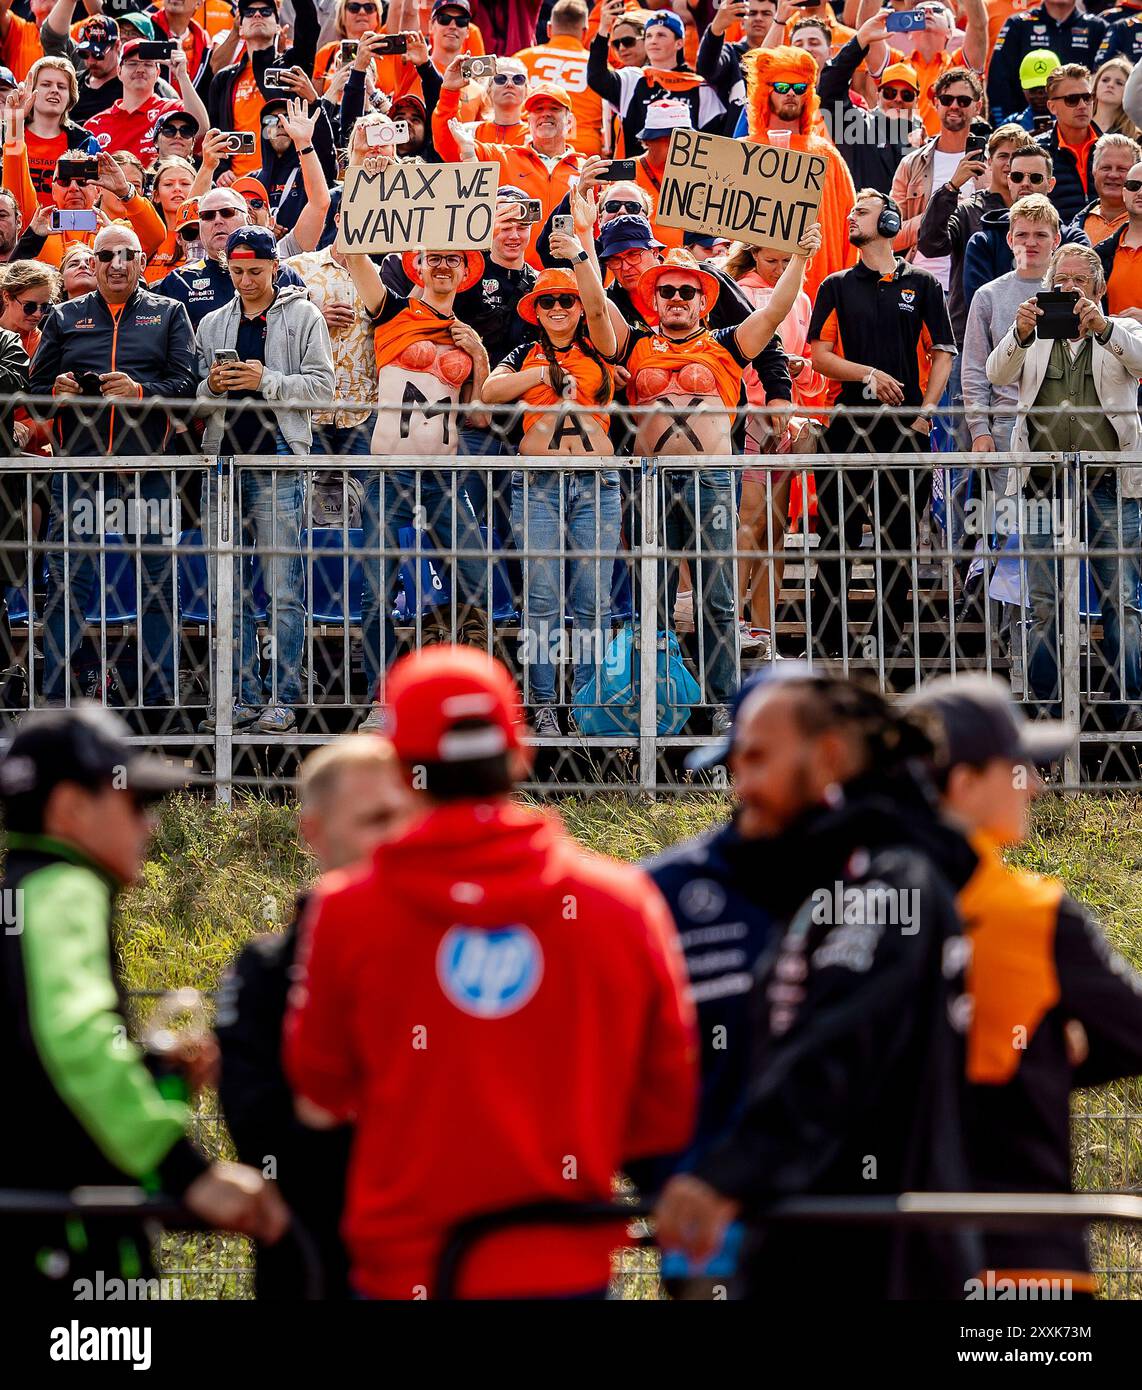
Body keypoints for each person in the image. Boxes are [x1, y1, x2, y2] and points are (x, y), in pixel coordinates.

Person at [284, 645, 698, 1299]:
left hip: (408, 1273)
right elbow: (666, 1105)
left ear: (400, 767)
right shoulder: (619, 901)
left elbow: (320, 1089)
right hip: (568, 1270)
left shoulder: (347, 911)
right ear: (520, 753)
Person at [652, 670, 981, 1300]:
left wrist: (725, 1175)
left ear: (827, 756)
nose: (739, 782)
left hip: (882, 1266)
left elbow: (836, 1049)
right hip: (811, 1253)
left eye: (757, 758)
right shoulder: (826, 880)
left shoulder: (889, 880)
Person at [0, 704, 289, 1303]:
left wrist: (152, 1070)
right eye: (136, 805)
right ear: (70, 810)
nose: (150, 827)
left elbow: (32, 1070)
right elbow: (74, 1040)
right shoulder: (63, 888)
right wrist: (190, 1172)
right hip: (64, 1245)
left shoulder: (19, 892)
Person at [909, 674, 1142, 1299]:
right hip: (1025, 1263)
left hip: (889, 1258)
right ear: (961, 785)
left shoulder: (850, 904)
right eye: (1017, 769)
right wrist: (1040, 1052)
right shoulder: (1029, 912)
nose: (1035, 785)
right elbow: (1134, 1031)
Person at [217, 733, 420, 1299]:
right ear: (315, 833)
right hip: (311, 1271)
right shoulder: (267, 969)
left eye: (407, 815)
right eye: (376, 819)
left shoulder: (455, 950)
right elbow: (264, 1137)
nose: (398, 836)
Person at [610, 229, 821, 729]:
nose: (677, 298)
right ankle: (654, 701)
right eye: (667, 291)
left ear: (705, 301)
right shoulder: (636, 344)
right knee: (651, 596)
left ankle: (721, 705)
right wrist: (578, 245)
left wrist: (798, 258)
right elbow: (597, 313)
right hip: (650, 481)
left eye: (688, 291)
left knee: (718, 598)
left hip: (710, 482)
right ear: (654, 300)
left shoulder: (727, 343)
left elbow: (771, 316)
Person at [29, 222, 196, 707]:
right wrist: (56, 391)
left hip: (147, 470)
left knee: (158, 582)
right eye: (106, 256)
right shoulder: (63, 316)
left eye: (128, 255)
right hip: (79, 470)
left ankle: (161, 697)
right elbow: (34, 393)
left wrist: (140, 392)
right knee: (68, 582)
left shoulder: (169, 312)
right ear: (94, 263)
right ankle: (57, 698)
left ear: (144, 261)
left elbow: (187, 385)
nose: (117, 265)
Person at [344, 218, 491, 724]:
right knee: (378, 587)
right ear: (419, 264)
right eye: (435, 256)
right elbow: (355, 253)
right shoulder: (391, 311)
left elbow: (480, 415)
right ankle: (382, 700)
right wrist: (364, 169)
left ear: (467, 268)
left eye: (455, 257)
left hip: (445, 473)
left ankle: (470, 695)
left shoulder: (467, 333)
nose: (445, 264)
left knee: (475, 579)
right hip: (390, 469)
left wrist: (479, 357)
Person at [986, 241, 1142, 705]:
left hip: (1109, 485)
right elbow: (996, 374)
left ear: (1096, 288)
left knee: (1123, 602)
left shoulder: (1122, 328)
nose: (1068, 288)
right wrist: (1018, 332)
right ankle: (1048, 708)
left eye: (1078, 281)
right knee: (1044, 605)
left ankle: (1128, 709)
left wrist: (1105, 327)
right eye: (1061, 280)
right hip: (1040, 485)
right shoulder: (1032, 333)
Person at [196, 225, 335, 734]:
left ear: (275, 267)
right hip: (222, 459)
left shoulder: (303, 316)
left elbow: (324, 392)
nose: (246, 280)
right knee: (224, 588)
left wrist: (266, 380)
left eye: (255, 271)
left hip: (277, 459)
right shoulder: (213, 323)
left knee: (281, 585)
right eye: (236, 271)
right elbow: (196, 399)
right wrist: (211, 386)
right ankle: (239, 694)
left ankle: (284, 695)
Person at [808, 187, 956, 664]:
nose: (851, 217)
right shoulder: (834, 284)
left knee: (896, 539)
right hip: (849, 422)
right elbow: (820, 356)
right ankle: (825, 638)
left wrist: (924, 414)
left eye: (862, 212)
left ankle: (891, 640)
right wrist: (867, 374)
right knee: (837, 535)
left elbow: (943, 353)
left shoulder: (924, 285)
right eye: (850, 211)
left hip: (904, 428)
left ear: (890, 223)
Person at [483, 234, 618, 733]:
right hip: (537, 483)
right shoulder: (523, 354)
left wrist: (582, 254)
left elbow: (603, 314)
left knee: (592, 600)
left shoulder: (600, 349)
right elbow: (490, 391)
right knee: (541, 597)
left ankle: (588, 704)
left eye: (567, 301)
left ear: (579, 309)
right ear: (536, 310)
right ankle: (542, 703)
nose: (559, 307)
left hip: (595, 484)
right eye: (549, 301)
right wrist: (541, 374)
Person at [723, 237, 825, 657]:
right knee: (746, 524)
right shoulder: (736, 291)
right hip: (747, 420)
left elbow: (807, 369)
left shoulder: (801, 298)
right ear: (753, 254)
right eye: (771, 260)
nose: (780, 268)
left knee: (777, 531)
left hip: (784, 424)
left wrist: (799, 371)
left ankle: (764, 632)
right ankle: (732, 624)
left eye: (787, 261)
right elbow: (731, 358)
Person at [434, 71, 586, 269]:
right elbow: (450, 145)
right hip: (514, 275)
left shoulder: (586, 169)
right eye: (538, 109)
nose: (545, 113)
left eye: (555, 108)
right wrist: (450, 92)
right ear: (529, 120)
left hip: (572, 277)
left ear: (569, 121)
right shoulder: (502, 157)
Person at [741, 45, 856, 300]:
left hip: (820, 288)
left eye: (799, 88)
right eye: (782, 87)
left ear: (808, 95)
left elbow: (850, 219)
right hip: (757, 291)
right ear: (766, 93)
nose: (790, 93)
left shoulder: (826, 153)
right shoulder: (745, 150)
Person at [963, 194, 1062, 471]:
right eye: (1022, 235)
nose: (1030, 243)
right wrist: (979, 429)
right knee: (1012, 514)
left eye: (1041, 235)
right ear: (1009, 240)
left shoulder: (1073, 291)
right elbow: (974, 367)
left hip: (1066, 419)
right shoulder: (988, 296)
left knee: (1066, 513)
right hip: (1008, 421)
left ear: (1056, 240)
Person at [915, 123, 1034, 353]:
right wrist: (951, 187)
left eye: (1017, 157)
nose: (1010, 164)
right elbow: (930, 245)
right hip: (970, 336)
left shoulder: (1038, 213)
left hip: (1029, 333)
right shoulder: (969, 210)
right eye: (1003, 156)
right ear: (989, 161)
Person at [588, 3, 725, 160]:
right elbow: (596, 77)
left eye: (661, 35)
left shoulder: (700, 87)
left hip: (678, 180)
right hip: (636, 178)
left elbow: (713, 140)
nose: (653, 41)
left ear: (679, 43)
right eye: (649, 36)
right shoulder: (631, 79)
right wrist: (603, 29)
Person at [156, 186, 305, 329]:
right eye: (207, 215)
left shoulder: (282, 274)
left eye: (227, 212)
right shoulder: (178, 281)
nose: (217, 220)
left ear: (248, 219)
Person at [891, 66, 986, 286]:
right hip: (919, 283)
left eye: (963, 100)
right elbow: (890, 236)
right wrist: (935, 215)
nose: (954, 106)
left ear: (977, 107)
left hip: (969, 284)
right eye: (946, 99)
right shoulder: (911, 164)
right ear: (936, 104)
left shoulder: (991, 164)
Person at [206, 0, 320, 180]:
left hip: (285, 181)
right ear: (240, 28)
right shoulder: (223, 79)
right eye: (249, 13)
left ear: (277, 26)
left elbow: (309, 24)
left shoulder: (291, 67)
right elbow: (215, 131)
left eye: (266, 11)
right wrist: (221, 169)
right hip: (238, 184)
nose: (257, 15)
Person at [817, 19, 922, 196]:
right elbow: (829, 90)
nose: (897, 99)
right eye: (889, 92)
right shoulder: (859, 125)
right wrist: (859, 43)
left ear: (916, 101)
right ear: (878, 94)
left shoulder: (924, 142)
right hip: (862, 219)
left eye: (906, 95)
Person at [962, 145, 1065, 304]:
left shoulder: (1071, 238)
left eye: (1035, 178)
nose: (1025, 183)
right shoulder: (983, 242)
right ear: (1009, 181)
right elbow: (982, 305)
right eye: (1017, 177)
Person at [83, 37, 208, 164]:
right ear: (119, 71)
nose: (140, 70)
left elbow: (201, 130)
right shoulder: (95, 125)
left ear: (158, 73)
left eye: (148, 64)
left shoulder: (172, 111)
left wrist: (182, 75)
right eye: (132, 64)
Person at [988, 0, 1108, 127]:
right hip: (1023, 129)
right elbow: (999, 81)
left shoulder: (1097, 27)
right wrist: (1006, 126)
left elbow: (1106, 81)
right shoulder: (1019, 24)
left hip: (1082, 126)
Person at [3, 56, 99, 207]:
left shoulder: (85, 142)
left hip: (67, 228)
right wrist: (15, 123)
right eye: (46, 84)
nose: (54, 90)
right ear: (30, 91)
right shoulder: (8, 134)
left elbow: (93, 197)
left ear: (70, 96)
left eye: (61, 86)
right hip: (16, 226)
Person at [516, 0, 604, 156]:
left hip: (530, 148)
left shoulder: (521, 60)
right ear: (585, 32)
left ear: (549, 29)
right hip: (584, 151)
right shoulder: (600, 67)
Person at [1036, 63, 1102, 226]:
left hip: (1111, 245)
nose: (1082, 105)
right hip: (1059, 245)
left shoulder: (1112, 149)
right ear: (1052, 107)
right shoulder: (1038, 153)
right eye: (1072, 99)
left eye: (1087, 97)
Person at [696, 0, 776, 135]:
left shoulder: (787, 57)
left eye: (766, 13)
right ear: (742, 22)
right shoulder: (730, 53)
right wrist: (716, 29)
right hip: (732, 145)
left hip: (773, 141)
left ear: (777, 20)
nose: (758, 18)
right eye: (752, 13)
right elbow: (707, 70)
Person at [1063, 131, 1141, 245]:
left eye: (1122, 169)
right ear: (1094, 171)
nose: (1113, 175)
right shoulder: (1077, 226)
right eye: (1106, 168)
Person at [1096, 155, 1142, 320]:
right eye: (1134, 186)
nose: (1140, 192)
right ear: (1124, 193)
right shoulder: (1100, 254)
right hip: (1110, 345)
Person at [0, 257, 56, 356]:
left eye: (44, 306)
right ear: (7, 297)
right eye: (30, 306)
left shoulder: (44, 345)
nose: (38, 314)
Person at [1010, 46, 1060, 132]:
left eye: (1045, 89)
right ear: (1023, 89)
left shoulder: (1074, 121)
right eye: (1033, 89)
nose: (1040, 95)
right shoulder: (1011, 125)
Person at [1091, 53, 1139, 138]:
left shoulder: (1136, 136)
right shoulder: (1078, 126)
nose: (1110, 85)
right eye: (1105, 80)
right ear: (1096, 85)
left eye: (1119, 83)